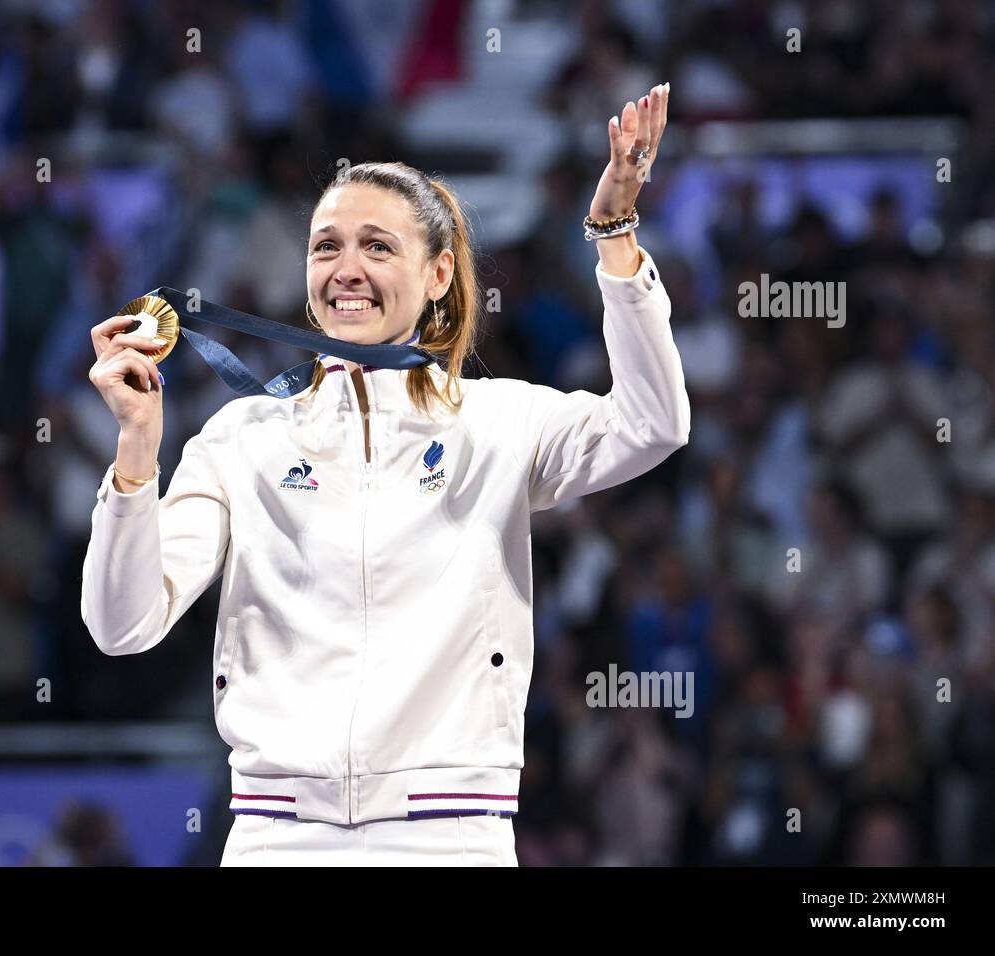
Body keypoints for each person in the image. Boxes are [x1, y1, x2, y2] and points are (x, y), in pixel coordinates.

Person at [82, 83, 685, 866]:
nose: (347, 268)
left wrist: (614, 239)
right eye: (326, 246)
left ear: (438, 276)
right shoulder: (242, 438)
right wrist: (135, 452)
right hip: (278, 836)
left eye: (377, 246)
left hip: (450, 836)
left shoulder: (499, 422)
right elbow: (121, 626)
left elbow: (655, 424)